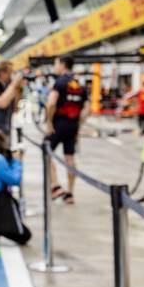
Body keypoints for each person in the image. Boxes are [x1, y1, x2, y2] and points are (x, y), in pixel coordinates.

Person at [45, 55, 87, 204]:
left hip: (58, 125)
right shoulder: (79, 83)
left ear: (62, 65)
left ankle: (55, 186)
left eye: (56, 63)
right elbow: (87, 109)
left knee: (47, 152)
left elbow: (51, 104)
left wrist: (49, 123)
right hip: (72, 125)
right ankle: (70, 193)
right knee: (70, 158)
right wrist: (78, 125)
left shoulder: (60, 82)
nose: (55, 67)